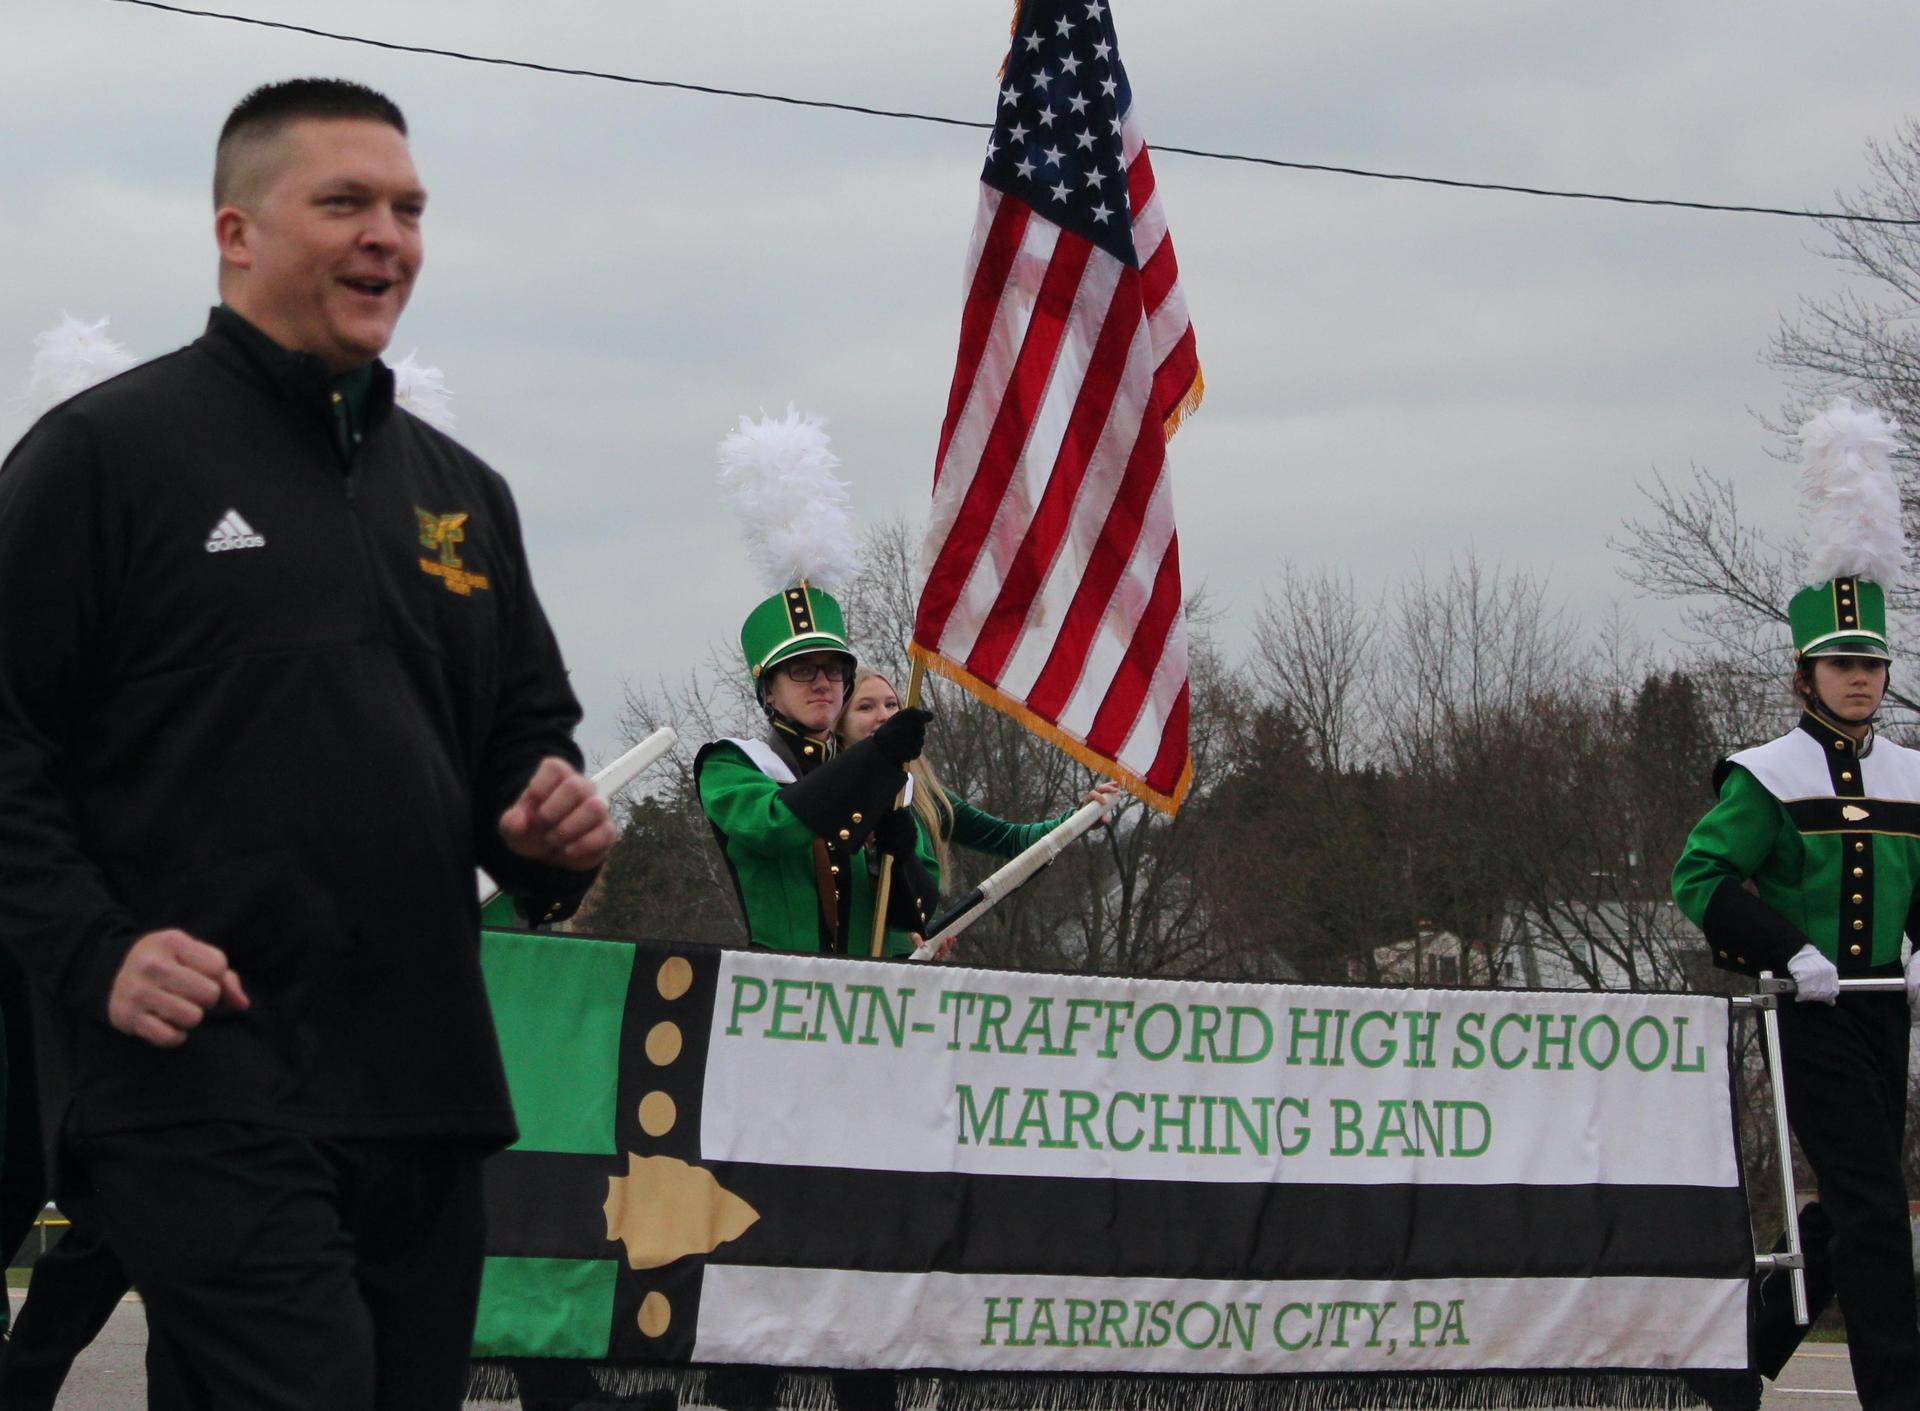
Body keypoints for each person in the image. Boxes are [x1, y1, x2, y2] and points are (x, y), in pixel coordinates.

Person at [0, 77, 612, 1411]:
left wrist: (542, 822)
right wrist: (94, 947)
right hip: (200, 1075)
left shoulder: (462, 491)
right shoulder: (106, 456)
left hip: (423, 1080)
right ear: (235, 232)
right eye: (344, 202)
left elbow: (523, 735)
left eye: (406, 207)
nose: (386, 234)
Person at [1671, 401, 1920, 1411]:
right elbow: (1700, 880)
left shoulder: (1910, 774)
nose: (1860, 680)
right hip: (1810, 1013)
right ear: (1805, 671)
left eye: (1871, 665)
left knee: (1840, 1216)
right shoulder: (1766, 775)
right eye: (1842, 664)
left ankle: (1729, 1371)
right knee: (1872, 1207)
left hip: (1881, 1008)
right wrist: (1786, 950)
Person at [695, 586, 941, 959]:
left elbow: (916, 917)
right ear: (769, 692)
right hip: (777, 994)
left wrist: (900, 857)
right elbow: (773, 826)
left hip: (866, 994)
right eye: (803, 669)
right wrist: (876, 757)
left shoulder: (879, 778)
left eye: (834, 670)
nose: (823, 682)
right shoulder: (730, 763)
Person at [835, 667, 1120, 952]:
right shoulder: (822, 795)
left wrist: (1077, 818)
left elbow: (1011, 840)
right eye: (865, 707)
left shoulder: (926, 796)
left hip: (911, 973)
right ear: (839, 722)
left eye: (891, 704)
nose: (884, 716)